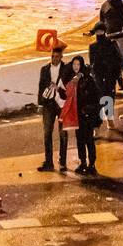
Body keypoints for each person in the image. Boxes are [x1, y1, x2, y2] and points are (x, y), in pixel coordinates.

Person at [59, 55, 100, 176]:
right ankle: (83, 162)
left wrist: (89, 110)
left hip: (87, 115)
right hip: (77, 115)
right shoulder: (72, 79)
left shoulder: (88, 79)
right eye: (74, 64)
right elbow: (66, 95)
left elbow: (95, 97)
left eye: (78, 64)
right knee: (80, 140)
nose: (75, 67)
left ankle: (91, 164)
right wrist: (59, 90)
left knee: (89, 140)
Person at [37, 42, 73, 172]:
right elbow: (40, 87)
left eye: (57, 56)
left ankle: (62, 162)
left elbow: (69, 88)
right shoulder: (44, 69)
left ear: (61, 56)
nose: (55, 59)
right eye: (53, 56)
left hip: (62, 105)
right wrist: (40, 104)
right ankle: (48, 161)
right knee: (47, 133)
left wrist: (59, 89)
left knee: (63, 134)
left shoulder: (66, 69)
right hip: (48, 105)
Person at [94, 0, 123, 91]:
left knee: (121, 57)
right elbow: (101, 22)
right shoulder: (104, 6)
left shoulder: (122, 5)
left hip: (122, 36)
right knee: (114, 60)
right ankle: (120, 81)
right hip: (110, 37)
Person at [88, 24, 122, 134]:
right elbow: (120, 60)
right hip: (107, 77)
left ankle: (98, 126)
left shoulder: (94, 46)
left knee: (100, 100)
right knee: (107, 98)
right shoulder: (111, 44)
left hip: (102, 77)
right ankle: (108, 121)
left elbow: (92, 64)